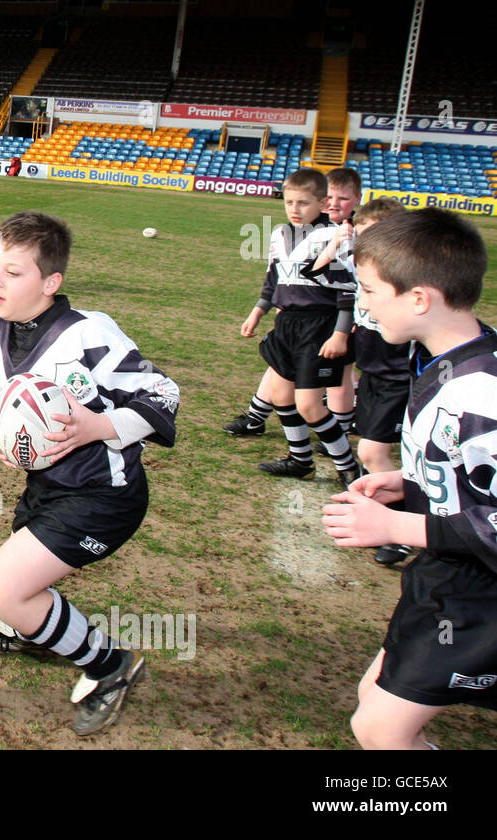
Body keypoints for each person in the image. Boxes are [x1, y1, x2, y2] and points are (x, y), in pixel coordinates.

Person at [0, 211, 178, 736]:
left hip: (104, 496)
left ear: (50, 282)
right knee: (22, 569)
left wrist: (96, 425)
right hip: (48, 487)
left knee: (1, 588)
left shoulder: (88, 335)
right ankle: (32, 630)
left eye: (13, 273)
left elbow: (163, 394)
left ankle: (110, 665)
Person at [322, 207, 496, 748]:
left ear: (419, 299)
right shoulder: (446, 358)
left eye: (371, 293)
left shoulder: (482, 392)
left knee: (378, 729)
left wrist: (399, 529)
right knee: (371, 701)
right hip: (448, 579)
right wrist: (412, 481)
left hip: (479, 594)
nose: (364, 308)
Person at [239, 168, 360, 486]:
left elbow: (347, 290)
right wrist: (258, 311)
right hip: (287, 323)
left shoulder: (335, 236)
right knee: (280, 395)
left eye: (303, 203)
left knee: (308, 405)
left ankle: (348, 466)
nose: (294, 209)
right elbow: (273, 279)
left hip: (319, 325)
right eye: (289, 201)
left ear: (322, 203)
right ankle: (300, 460)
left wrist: (340, 333)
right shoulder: (279, 234)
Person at [309, 197, 411, 565]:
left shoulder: (405, 274)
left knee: (372, 451)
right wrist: (340, 240)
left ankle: (401, 531)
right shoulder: (361, 266)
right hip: (373, 374)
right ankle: (380, 516)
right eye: (364, 236)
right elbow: (316, 271)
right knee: (373, 451)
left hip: (401, 377)